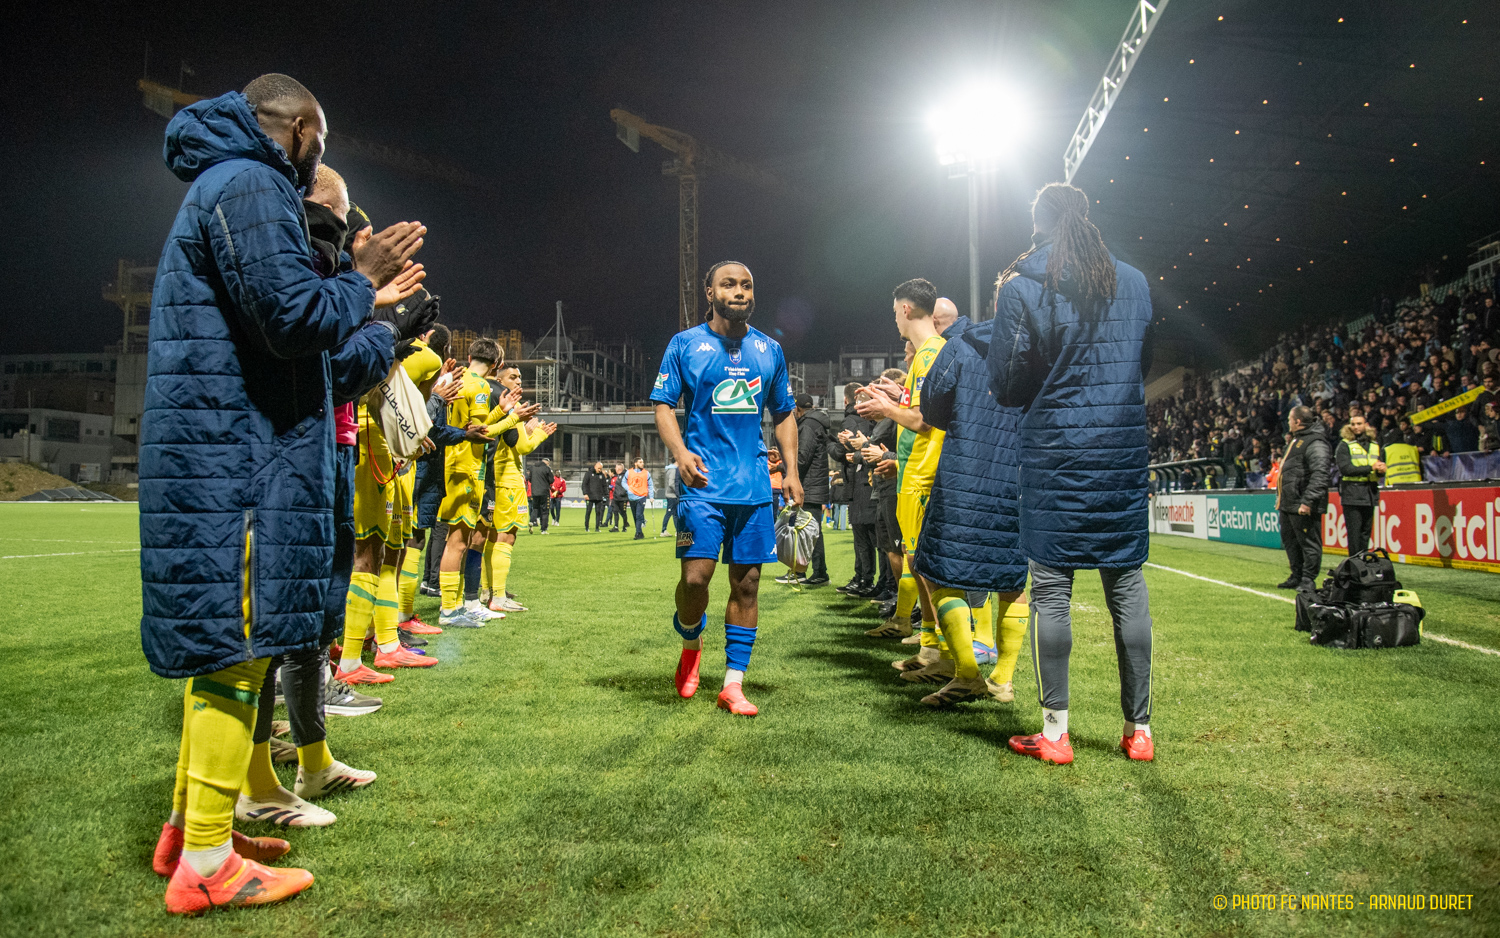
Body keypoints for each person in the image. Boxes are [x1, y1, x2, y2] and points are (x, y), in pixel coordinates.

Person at [141, 74, 426, 913]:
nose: (317, 176)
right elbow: (291, 318)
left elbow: (301, 354)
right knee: (237, 649)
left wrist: (368, 320)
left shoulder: (225, 181)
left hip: (230, 451)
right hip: (236, 463)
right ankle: (206, 865)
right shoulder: (252, 180)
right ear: (300, 130)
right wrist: (362, 282)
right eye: (322, 148)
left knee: (230, 650)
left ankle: (195, 826)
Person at [988, 182, 1156, 766]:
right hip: (1121, 451)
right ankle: (1139, 731)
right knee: (1127, 585)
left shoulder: (1023, 285)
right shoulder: (1132, 281)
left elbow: (1007, 385)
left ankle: (1056, 735)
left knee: (1052, 590)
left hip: (1056, 450)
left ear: (1038, 224)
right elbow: (1141, 361)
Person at [651, 260, 801, 716]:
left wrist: (791, 471)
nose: (739, 291)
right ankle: (691, 638)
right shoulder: (685, 344)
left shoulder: (769, 350)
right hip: (703, 483)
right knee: (695, 579)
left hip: (754, 486)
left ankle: (733, 684)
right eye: (729, 284)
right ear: (709, 293)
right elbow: (661, 405)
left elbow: (785, 413)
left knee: (749, 584)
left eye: (747, 285)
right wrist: (679, 453)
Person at [902, 310, 1030, 706]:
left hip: (963, 473)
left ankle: (967, 676)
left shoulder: (957, 347)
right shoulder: (1034, 351)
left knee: (938, 570)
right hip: (1018, 473)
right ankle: (1003, 680)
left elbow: (933, 412)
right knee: (1013, 579)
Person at [856, 280, 947, 657]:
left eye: (895, 312)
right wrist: (894, 399)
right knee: (918, 562)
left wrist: (887, 409)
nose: (895, 320)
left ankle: (940, 649)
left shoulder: (929, 355)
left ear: (906, 310)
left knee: (927, 566)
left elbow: (925, 420)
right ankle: (929, 646)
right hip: (911, 472)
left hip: (924, 476)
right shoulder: (927, 357)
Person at [436, 338, 503, 628]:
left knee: (458, 539)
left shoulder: (451, 378)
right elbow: (482, 429)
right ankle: (449, 609)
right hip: (467, 466)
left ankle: (455, 605)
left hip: (450, 461)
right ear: (496, 365)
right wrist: (507, 414)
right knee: (459, 541)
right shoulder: (480, 385)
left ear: (469, 355)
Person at [483, 364, 553, 613]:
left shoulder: (495, 405)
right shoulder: (509, 408)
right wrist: (538, 434)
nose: (518, 381)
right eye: (513, 377)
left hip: (496, 477)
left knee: (492, 537)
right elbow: (521, 446)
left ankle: (487, 590)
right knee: (507, 536)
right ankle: (499, 597)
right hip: (509, 479)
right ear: (499, 379)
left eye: (520, 377)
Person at [1276, 405, 1332, 591]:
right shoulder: (1298, 440)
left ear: (1298, 421)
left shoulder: (1315, 442)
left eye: (1290, 419)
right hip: (1289, 502)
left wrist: (1308, 501)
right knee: (1291, 541)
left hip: (1302, 503)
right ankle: (1297, 575)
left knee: (1309, 542)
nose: (1288, 423)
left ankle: (1308, 579)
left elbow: (1320, 474)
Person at [784, 393, 832, 584]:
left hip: (810, 487)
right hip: (812, 486)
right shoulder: (813, 423)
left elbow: (802, 458)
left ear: (797, 409)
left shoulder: (808, 426)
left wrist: (781, 465)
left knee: (810, 532)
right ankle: (803, 572)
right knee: (808, 531)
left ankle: (815, 573)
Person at [834, 384, 877, 595]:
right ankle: (869, 580)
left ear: (846, 400)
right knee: (874, 539)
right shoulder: (873, 421)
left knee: (864, 537)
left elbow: (843, 450)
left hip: (860, 482)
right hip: (870, 481)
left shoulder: (851, 420)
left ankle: (865, 579)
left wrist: (836, 447)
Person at [1335, 413, 1385, 556]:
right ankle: (1355, 566)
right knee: (1355, 535)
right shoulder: (1344, 445)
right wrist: (1372, 468)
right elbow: (1346, 469)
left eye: (1359, 423)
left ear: (1366, 425)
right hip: (1352, 493)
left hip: (1370, 493)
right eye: (1353, 424)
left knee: (1365, 534)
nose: (1356, 427)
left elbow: (1377, 466)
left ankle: (1363, 565)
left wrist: (1381, 470)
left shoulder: (1375, 445)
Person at [626, 457, 654, 539]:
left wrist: (651, 496)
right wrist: (628, 490)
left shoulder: (646, 473)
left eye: (643, 462)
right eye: (640, 462)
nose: (643, 463)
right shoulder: (629, 472)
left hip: (642, 496)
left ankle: (637, 533)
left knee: (638, 515)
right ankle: (640, 533)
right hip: (632, 497)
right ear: (635, 463)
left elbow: (650, 485)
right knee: (635, 516)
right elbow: (624, 482)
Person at [528, 454, 554, 533]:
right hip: (544, 492)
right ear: (547, 462)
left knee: (535, 508)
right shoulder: (546, 469)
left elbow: (529, 479)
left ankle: (532, 521)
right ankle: (544, 529)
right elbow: (551, 480)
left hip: (535, 492)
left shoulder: (533, 468)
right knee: (545, 510)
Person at [583, 461, 610, 530]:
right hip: (590, 497)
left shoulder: (602, 475)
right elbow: (584, 484)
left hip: (599, 497)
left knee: (598, 512)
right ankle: (587, 527)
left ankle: (597, 527)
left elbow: (604, 486)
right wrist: (585, 493)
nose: (599, 470)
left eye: (601, 469)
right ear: (595, 467)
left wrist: (606, 495)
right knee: (588, 512)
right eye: (598, 468)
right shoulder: (588, 474)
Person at [659, 455, 681, 536]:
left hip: (671, 495)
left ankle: (677, 531)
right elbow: (671, 483)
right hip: (672, 495)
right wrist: (678, 492)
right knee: (669, 513)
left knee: (675, 514)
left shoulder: (669, 469)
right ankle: (663, 531)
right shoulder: (673, 470)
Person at [609, 461, 631, 532]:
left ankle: (624, 527)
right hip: (616, 498)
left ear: (618, 469)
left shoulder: (625, 476)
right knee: (615, 512)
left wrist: (622, 493)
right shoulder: (618, 476)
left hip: (623, 498)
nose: (615, 469)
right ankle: (616, 527)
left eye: (615, 467)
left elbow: (627, 486)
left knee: (623, 512)